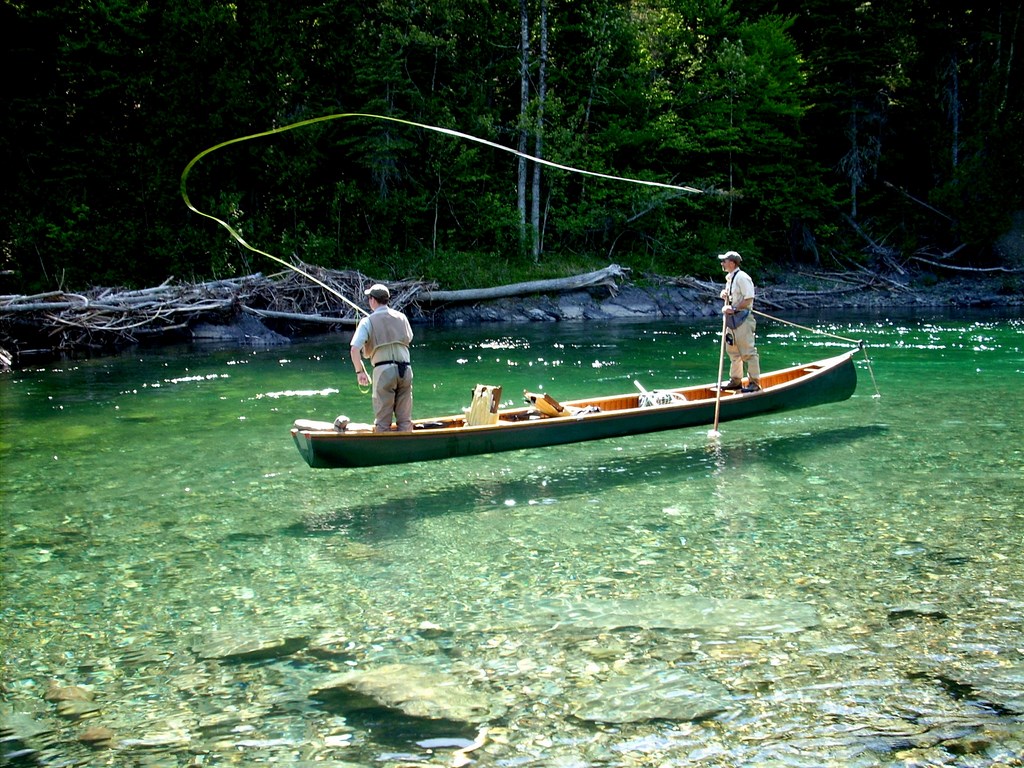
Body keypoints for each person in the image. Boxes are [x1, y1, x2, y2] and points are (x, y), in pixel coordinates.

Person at [349, 283, 415, 431]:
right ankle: (406, 442)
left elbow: (354, 349)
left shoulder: (367, 321)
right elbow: (409, 338)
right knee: (405, 421)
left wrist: (360, 371)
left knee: (382, 423)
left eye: (369, 298)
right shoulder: (402, 317)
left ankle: (384, 443)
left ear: (373, 300)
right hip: (405, 370)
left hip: (384, 372)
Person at [717, 250, 761, 393]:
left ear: (732, 263)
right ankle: (736, 381)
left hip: (743, 319)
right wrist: (725, 295)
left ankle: (754, 383)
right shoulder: (730, 278)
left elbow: (749, 298)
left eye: (724, 261)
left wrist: (733, 308)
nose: (722, 263)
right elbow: (735, 296)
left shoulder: (742, 277)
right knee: (733, 351)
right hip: (732, 320)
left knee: (748, 352)